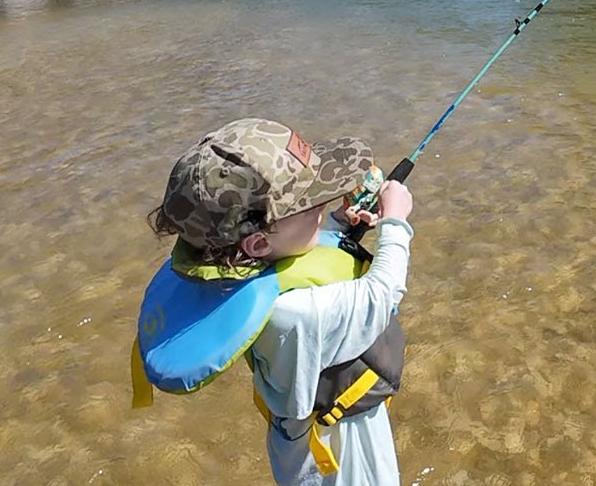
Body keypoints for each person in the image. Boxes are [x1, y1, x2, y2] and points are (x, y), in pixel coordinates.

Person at [132, 117, 414, 486]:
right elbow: (381, 294)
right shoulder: (295, 313)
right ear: (258, 243)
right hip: (340, 455)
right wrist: (396, 221)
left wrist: (340, 225)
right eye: (310, 202)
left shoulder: (239, 270)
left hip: (293, 443)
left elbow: (289, 255)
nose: (324, 201)